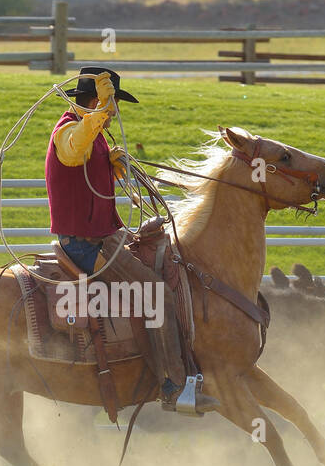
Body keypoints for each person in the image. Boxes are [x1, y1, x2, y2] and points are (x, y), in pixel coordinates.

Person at [44, 66, 220, 414]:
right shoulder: (68, 131)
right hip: (84, 245)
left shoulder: (94, 137)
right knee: (156, 293)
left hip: (102, 238)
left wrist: (109, 163)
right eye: (112, 105)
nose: (115, 114)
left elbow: (84, 159)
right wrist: (99, 115)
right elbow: (71, 151)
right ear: (96, 101)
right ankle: (173, 386)